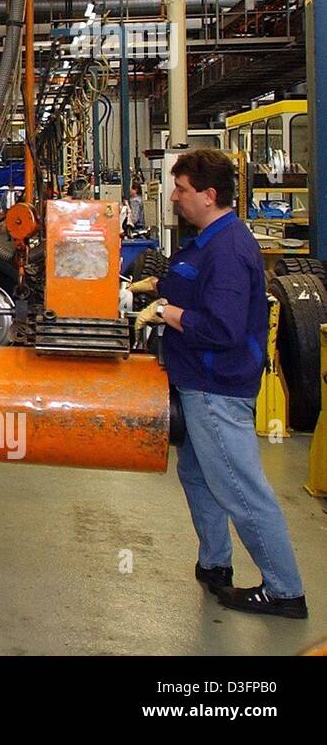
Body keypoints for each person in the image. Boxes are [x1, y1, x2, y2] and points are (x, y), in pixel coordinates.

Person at [132, 149, 306, 618]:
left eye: (181, 189)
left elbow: (222, 327)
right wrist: (155, 289)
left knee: (240, 489)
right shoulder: (207, 240)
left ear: (208, 195)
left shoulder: (228, 248)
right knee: (197, 476)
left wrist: (167, 313)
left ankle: (284, 590)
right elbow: (193, 287)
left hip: (217, 388)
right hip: (196, 382)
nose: (174, 197)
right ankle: (215, 564)